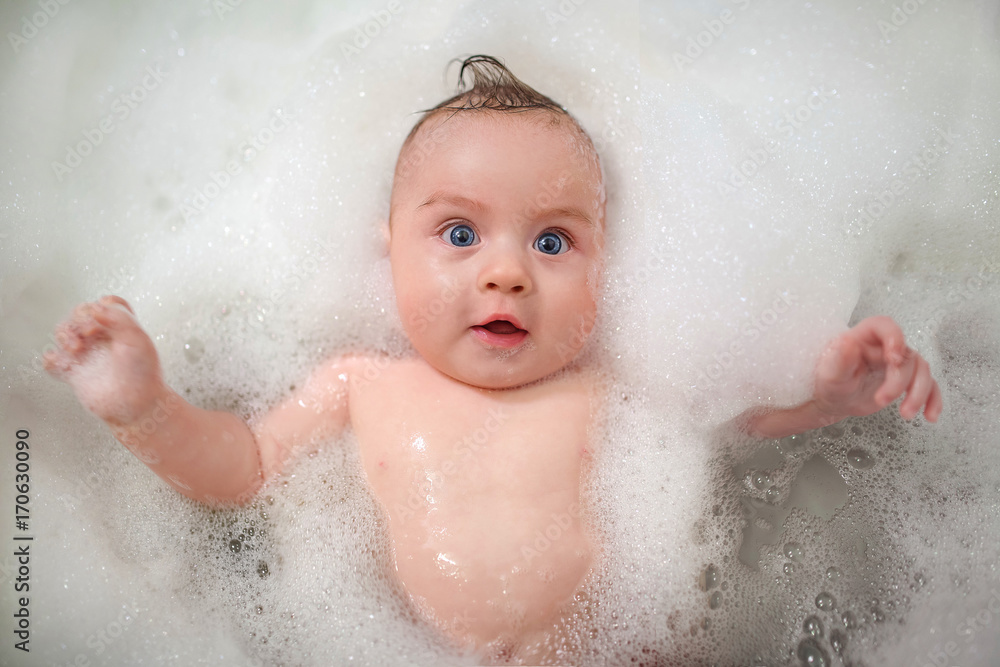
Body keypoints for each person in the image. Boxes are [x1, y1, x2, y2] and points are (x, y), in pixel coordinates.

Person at [43, 55, 942, 661]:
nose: (507, 271)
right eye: (461, 233)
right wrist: (142, 405)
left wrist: (826, 396)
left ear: (606, 268)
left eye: (553, 242)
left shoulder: (613, 389)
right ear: (387, 250)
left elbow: (737, 429)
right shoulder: (361, 384)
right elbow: (238, 468)